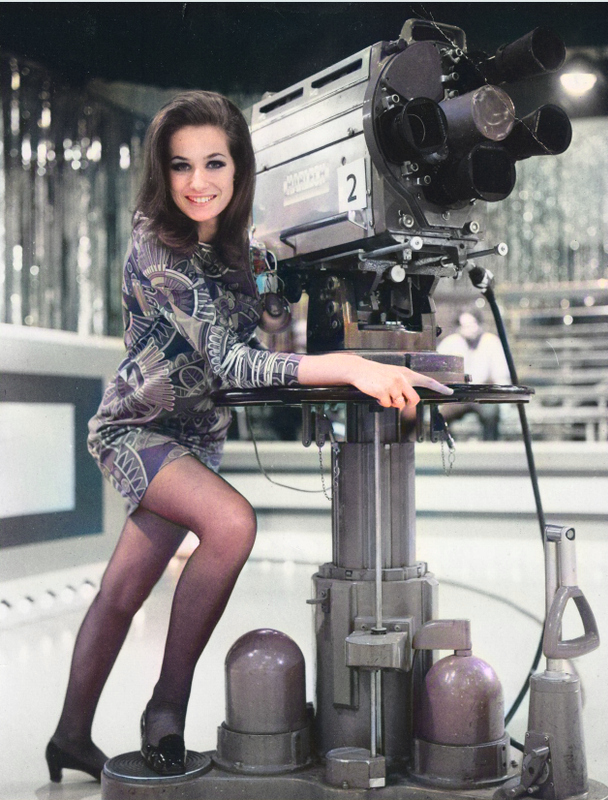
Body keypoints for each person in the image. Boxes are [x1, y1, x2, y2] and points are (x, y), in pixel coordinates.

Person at [45, 90, 453, 782]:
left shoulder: (235, 246)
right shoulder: (157, 246)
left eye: (214, 163)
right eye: (180, 166)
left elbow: (268, 311)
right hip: (138, 429)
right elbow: (232, 361)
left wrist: (289, 265)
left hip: (194, 438)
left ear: (238, 168)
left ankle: (68, 737)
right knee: (231, 524)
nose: (197, 182)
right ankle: (165, 710)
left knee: (123, 589)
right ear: (162, 172)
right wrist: (352, 366)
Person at [438, 307, 510, 439]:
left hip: (482, 393)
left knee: (491, 413)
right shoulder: (450, 342)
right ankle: (449, 446)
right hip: (457, 394)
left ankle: (490, 446)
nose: (470, 329)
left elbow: (501, 374)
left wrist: (504, 404)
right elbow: (439, 373)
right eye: (465, 325)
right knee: (440, 416)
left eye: (473, 324)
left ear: (479, 324)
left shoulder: (491, 341)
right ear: (459, 327)